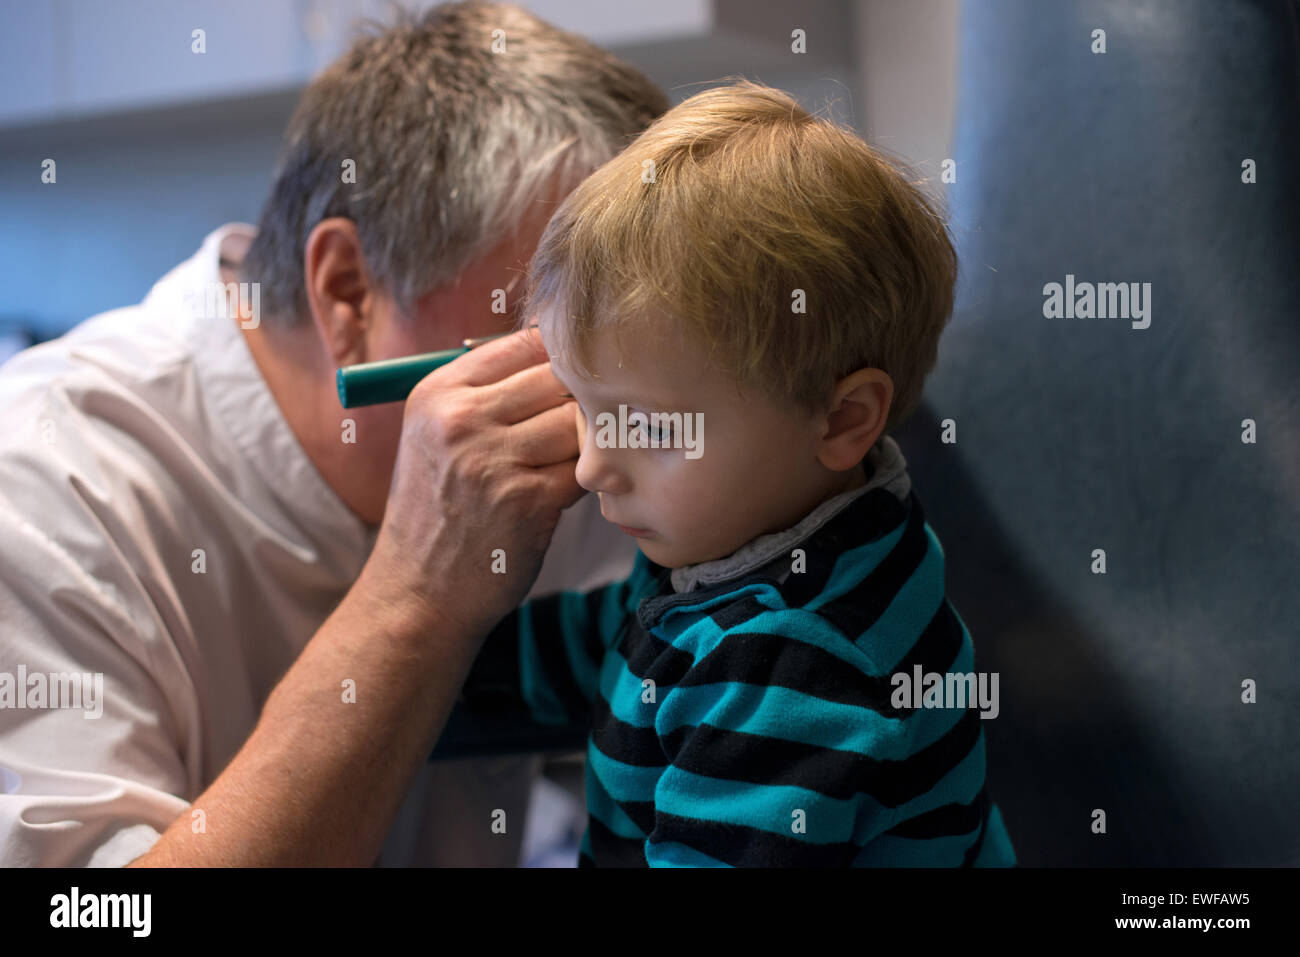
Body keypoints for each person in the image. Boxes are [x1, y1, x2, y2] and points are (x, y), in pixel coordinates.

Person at [0, 1, 667, 866]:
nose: (601, 417)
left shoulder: (586, 442)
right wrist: (414, 599)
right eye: (563, 330)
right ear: (350, 292)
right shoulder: (45, 485)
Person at [456, 81, 1017, 866]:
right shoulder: (743, 546)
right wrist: (428, 665)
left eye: (647, 425)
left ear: (844, 420)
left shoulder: (795, 669)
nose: (590, 465)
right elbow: (599, 643)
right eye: (580, 404)